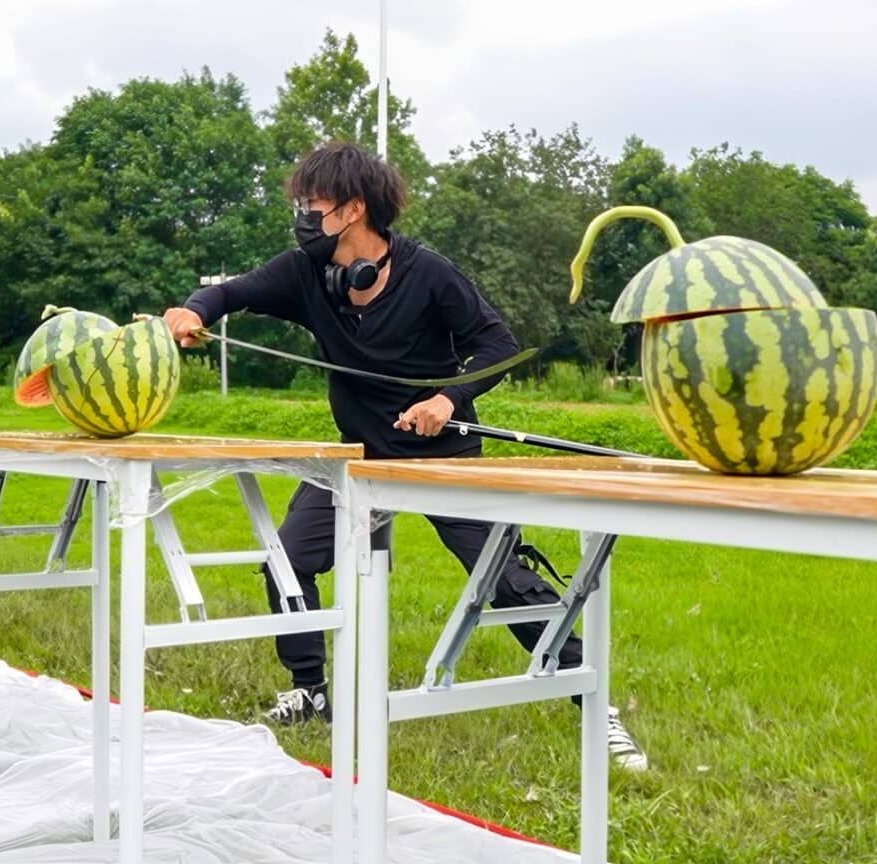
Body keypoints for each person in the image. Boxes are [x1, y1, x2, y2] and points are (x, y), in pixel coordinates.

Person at [162, 140, 648, 772]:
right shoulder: (304, 272)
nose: (303, 214)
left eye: (314, 203)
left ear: (354, 208)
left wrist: (449, 397)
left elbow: (498, 342)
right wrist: (190, 312)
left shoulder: (430, 273)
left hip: (439, 456)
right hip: (356, 460)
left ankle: (594, 700)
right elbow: (229, 295)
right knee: (289, 559)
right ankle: (311, 691)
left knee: (499, 578)